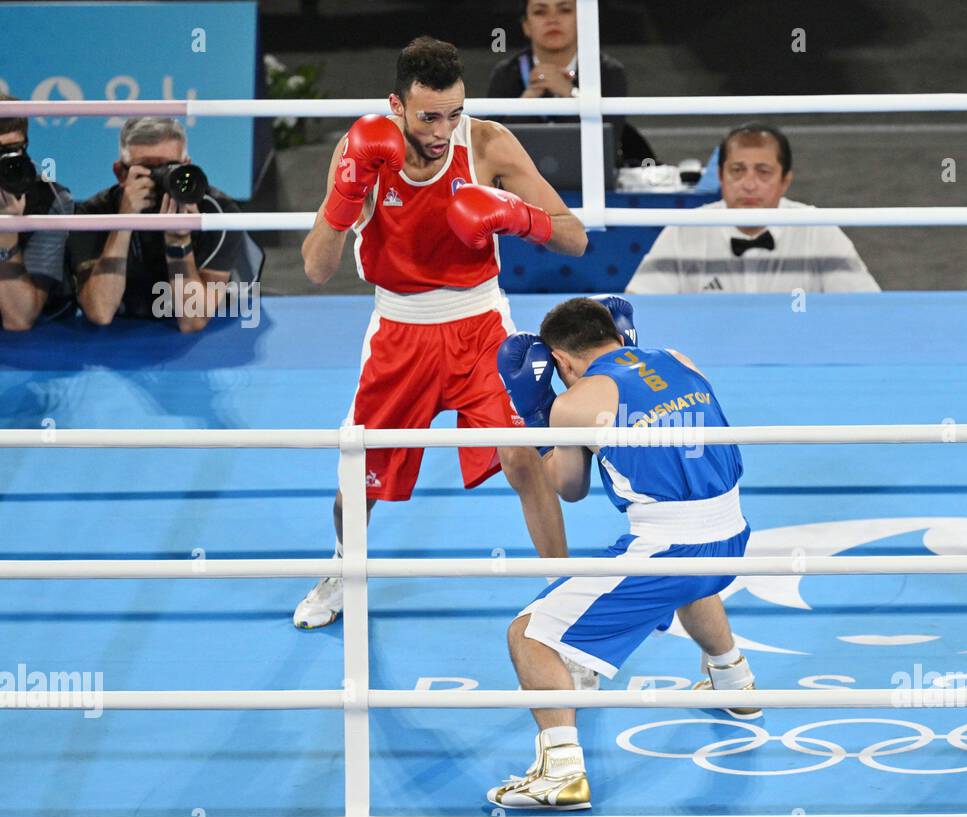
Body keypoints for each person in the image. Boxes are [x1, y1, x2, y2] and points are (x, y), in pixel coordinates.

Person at [293, 36, 588, 630]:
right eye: (429, 116)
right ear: (396, 105)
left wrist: (514, 215)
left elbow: (574, 237)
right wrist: (348, 194)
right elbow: (316, 268)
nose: (443, 129)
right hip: (399, 327)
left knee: (521, 455)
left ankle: (566, 593)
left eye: (454, 113)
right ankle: (344, 568)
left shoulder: (486, 144)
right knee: (360, 474)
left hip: (479, 323)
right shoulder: (363, 151)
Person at [487, 295, 759, 811]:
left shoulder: (574, 401)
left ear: (561, 361)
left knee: (529, 634)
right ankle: (734, 681)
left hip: (669, 545)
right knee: (688, 579)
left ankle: (561, 773)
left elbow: (567, 488)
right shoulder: (679, 358)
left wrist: (539, 416)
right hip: (733, 534)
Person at [625, 122, 880, 294]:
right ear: (721, 177)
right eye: (737, 171)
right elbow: (642, 307)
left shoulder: (818, 230)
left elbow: (867, 311)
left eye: (763, 172)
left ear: (785, 181)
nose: (749, 185)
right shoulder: (684, 230)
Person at [68, 117, 246, 332]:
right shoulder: (93, 215)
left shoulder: (219, 214)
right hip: (124, 334)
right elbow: (101, 313)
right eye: (147, 170)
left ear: (187, 165)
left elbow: (193, 320)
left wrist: (178, 242)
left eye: (170, 168)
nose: (163, 180)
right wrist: (123, 223)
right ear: (121, 173)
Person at [485, 0, 655, 165]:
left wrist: (569, 93)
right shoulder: (505, 73)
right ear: (526, 26)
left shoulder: (609, 71)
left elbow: (606, 143)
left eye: (564, 10)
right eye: (540, 11)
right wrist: (528, 100)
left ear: (582, 19)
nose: (553, 19)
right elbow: (488, 148)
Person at [0, 93, 75, 331]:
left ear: (25, 146)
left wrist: (7, 233)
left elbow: (19, 318)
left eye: (11, 151)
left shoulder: (52, 200)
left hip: (41, 338)